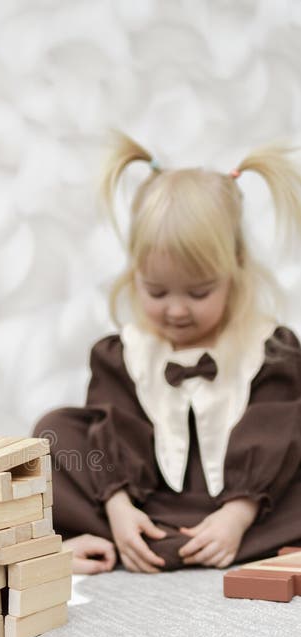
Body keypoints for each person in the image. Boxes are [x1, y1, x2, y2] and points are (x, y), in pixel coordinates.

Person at [34, 131, 301, 573]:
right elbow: (111, 429)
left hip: (255, 505)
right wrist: (119, 508)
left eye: (199, 292)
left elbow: (275, 434)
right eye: (156, 291)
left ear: (234, 270)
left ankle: (223, 537)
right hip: (151, 504)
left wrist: (237, 514)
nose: (176, 310)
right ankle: (130, 535)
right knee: (53, 431)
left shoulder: (269, 348)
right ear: (134, 274)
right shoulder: (125, 353)